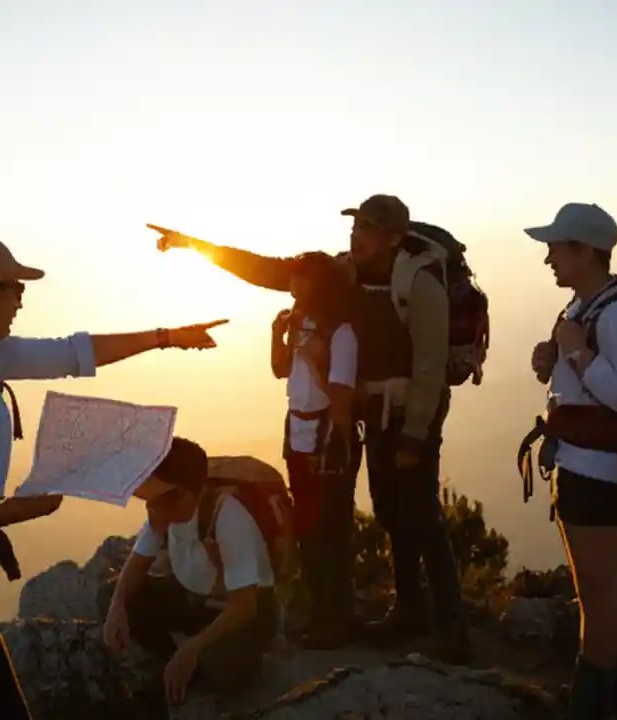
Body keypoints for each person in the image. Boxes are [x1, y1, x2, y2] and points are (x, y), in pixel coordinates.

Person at [0, 232, 227, 719]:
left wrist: (165, 337)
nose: (21, 299)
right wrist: (10, 513)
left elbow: (73, 353)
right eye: (13, 288)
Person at [149, 194, 471, 663]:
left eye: (368, 231)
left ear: (394, 240)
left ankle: (453, 627)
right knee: (389, 511)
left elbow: (430, 368)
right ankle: (410, 608)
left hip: (409, 413)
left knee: (420, 513)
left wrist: (415, 435)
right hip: (373, 411)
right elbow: (270, 271)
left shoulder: (419, 284)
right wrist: (194, 245)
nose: (356, 237)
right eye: (355, 227)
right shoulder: (346, 272)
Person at [525, 203, 617, 719]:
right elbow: (585, 381)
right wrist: (552, 362)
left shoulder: (615, 313)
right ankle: (606, 686)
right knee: (596, 587)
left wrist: (577, 355)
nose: (548, 260)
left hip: (594, 473)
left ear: (584, 251)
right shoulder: (583, 306)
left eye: (556, 249)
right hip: (576, 466)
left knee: (596, 592)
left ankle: (591, 701)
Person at [99, 438, 278, 705]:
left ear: (184, 496)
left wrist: (192, 649)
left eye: (154, 500)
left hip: (242, 612)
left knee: (221, 669)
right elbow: (138, 562)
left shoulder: (229, 516)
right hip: (194, 597)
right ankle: (175, 660)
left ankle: (197, 659)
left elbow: (245, 606)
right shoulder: (163, 514)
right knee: (110, 594)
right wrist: (117, 607)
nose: (149, 508)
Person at [271, 251, 358, 648]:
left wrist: (317, 361)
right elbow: (280, 371)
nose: (294, 285)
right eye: (293, 279)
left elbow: (342, 399)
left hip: (327, 441)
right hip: (299, 435)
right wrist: (279, 337)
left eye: (302, 279)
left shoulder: (340, 333)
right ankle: (318, 612)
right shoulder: (301, 323)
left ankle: (335, 618)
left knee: (330, 532)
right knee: (307, 529)